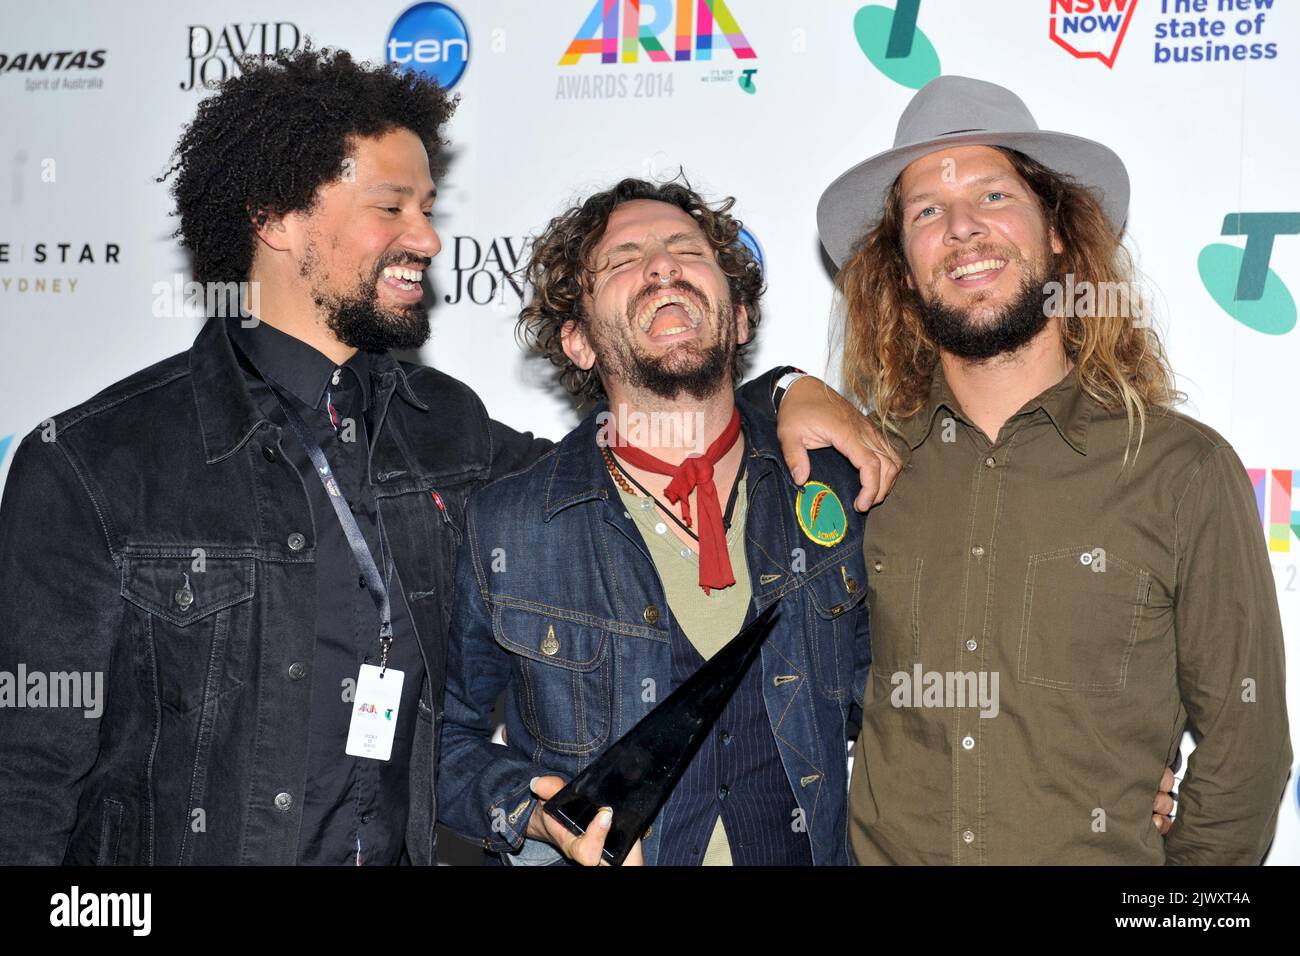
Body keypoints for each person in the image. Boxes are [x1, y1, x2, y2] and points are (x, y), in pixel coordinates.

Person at [0, 46, 891, 866]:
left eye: (427, 209)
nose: (427, 239)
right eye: (392, 207)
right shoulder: (94, 465)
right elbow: (26, 789)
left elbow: (642, 439)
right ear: (275, 215)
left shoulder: (445, 431)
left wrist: (778, 391)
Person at [818, 75, 1291, 864]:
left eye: (995, 196)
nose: (963, 228)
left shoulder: (1181, 472)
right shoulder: (859, 474)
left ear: (1058, 233)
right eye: (926, 211)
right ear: (902, 267)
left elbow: (1247, 757)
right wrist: (790, 390)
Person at [437, 178, 871, 865]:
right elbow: (441, 739)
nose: (662, 266)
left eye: (685, 250)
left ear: (742, 319)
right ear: (577, 340)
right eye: (624, 259)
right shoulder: (512, 524)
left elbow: (896, 716)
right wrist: (534, 811)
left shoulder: (833, 487)